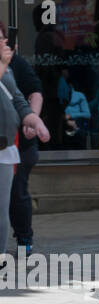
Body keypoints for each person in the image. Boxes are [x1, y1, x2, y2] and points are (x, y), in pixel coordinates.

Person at [0, 24, 46, 255]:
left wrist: (34, 120)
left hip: (14, 146)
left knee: (15, 195)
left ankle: (24, 239)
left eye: (2, 39)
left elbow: (24, 96)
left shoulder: (13, 65)